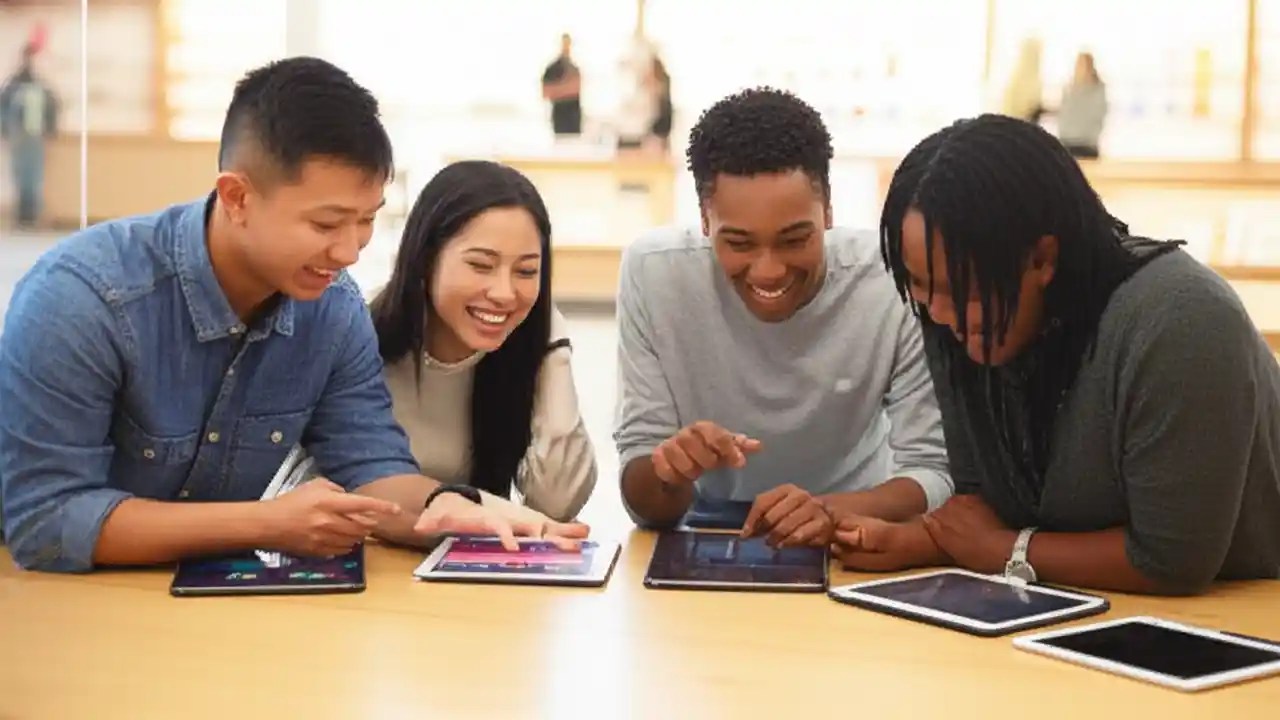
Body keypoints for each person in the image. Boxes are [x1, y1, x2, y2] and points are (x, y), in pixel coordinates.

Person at [0, 57, 587, 574]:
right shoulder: (85, 299)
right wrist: (265, 525)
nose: (351, 250)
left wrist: (449, 508)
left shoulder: (332, 312)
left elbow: (375, 467)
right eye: (327, 224)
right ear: (237, 198)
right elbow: (46, 520)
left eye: (367, 219)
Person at [845, 113, 1280, 596]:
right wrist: (922, 541)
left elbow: (1171, 559)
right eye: (921, 285)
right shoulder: (952, 316)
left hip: (1241, 621)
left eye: (960, 289)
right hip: (1078, 614)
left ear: (1042, 259)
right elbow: (981, 509)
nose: (940, 313)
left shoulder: (1182, 321)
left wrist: (1004, 551)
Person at [614, 87, 952, 548]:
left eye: (795, 240)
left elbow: (931, 472)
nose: (769, 270)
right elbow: (644, 501)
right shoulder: (654, 273)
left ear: (828, 209)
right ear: (705, 219)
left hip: (855, 523)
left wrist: (831, 511)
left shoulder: (890, 280)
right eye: (739, 243)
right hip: (705, 525)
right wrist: (670, 472)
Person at [366, 160, 596, 522]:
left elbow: (557, 502)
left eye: (526, 271)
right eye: (481, 265)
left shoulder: (526, 342)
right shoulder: (362, 338)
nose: (505, 294)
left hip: (461, 569)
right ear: (426, 259)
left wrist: (553, 342)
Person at [0, 43, 58, 229]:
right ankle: (21, 217)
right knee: (20, 177)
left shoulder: (42, 85)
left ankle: (32, 216)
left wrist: (50, 131)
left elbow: (52, 110)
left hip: (37, 136)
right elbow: (4, 109)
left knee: (35, 177)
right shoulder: (14, 84)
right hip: (19, 135)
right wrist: (6, 131)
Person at [1057, 52, 1107, 159]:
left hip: (1087, 144)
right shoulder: (1069, 90)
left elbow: (1098, 116)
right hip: (1067, 142)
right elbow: (1063, 115)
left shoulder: (1097, 91)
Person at [541, 33, 582, 137]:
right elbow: (545, 93)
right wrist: (567, 87)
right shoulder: (553, 68)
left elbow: (577, 89)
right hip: (560, 118)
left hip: (574, 119)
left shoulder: (574, 68)